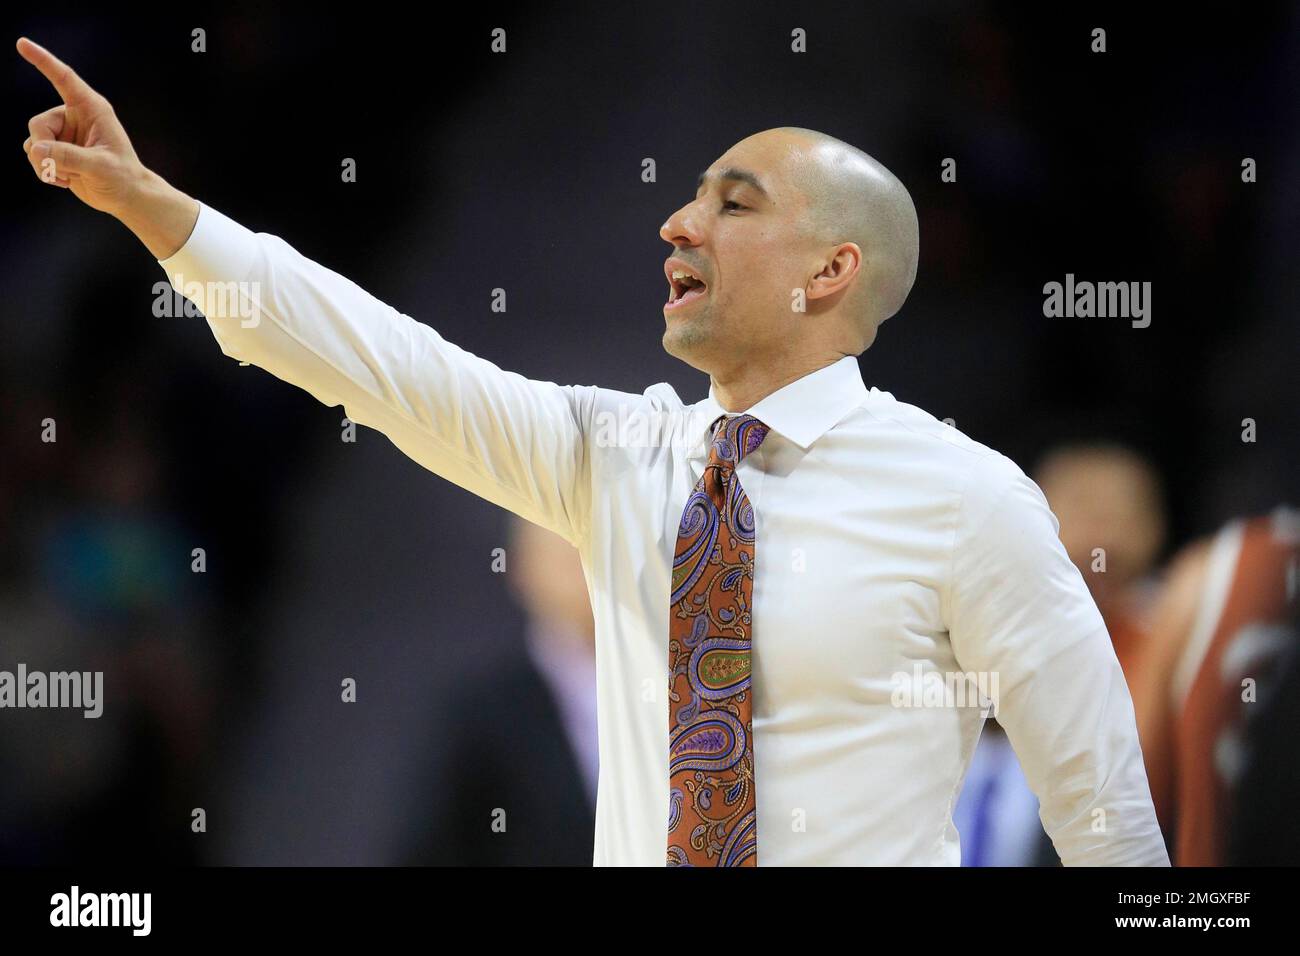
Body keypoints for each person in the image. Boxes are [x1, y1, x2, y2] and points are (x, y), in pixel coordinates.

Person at [17, 36, 1168, 866]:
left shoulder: (967, 498)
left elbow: (1108, 814)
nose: (678, 221)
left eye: (734, 203)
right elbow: (378, 361)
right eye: (688, 198)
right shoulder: (616, 453)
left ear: (829, 272)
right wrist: (164, 213)